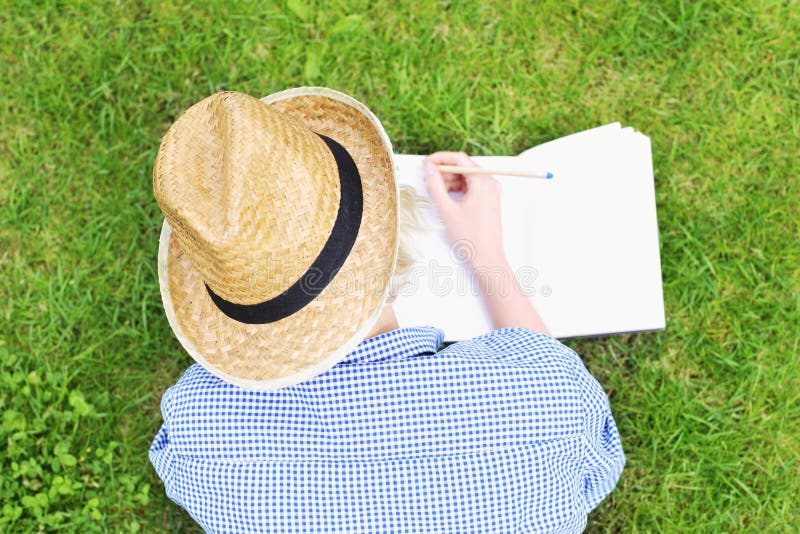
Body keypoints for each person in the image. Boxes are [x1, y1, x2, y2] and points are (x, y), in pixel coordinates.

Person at [150, 88, 624, 533]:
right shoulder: (549, 398)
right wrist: (486, 252)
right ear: (391, 232)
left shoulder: (199, 428)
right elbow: (591, 457)